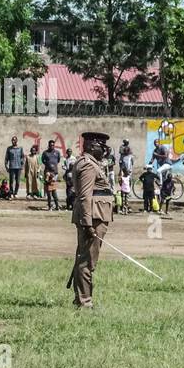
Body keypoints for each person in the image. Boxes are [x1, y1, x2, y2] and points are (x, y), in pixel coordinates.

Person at [68, 131, 114, 309]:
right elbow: (85, 196)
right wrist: (87, 224)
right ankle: (85, 302)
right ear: (92, 146)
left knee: (84, 258)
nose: (104, 150)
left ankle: (81, 298)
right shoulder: (88, 165)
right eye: (102, 147)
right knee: (87, 260)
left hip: (96, 215)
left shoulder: (90, 163)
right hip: (93, 217)